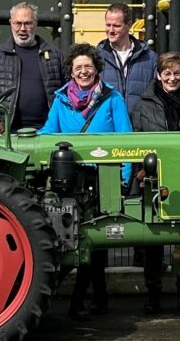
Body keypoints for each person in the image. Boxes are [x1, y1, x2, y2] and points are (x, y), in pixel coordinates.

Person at [42, 44, 132, 320]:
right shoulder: (61, 100)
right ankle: (93, 299)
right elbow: (48, 132)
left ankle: (82, 301)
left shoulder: (112, 98)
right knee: (75, 239)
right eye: (78, 67)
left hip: (103, 177)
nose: (83, 71)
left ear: (97, 69)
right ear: (71, 71)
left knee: (96, 240)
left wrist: (124, 177)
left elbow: (127, 140)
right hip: (70, 180)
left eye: (88, 67)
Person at [129, 51, 180, 312]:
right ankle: (153, 292)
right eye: (167, 73)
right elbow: (135, 140)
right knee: (154, 239)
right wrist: (140, 170)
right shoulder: (143, 105)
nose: (172, 78)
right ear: (159, 75)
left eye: (177, 73)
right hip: (154, 176)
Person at [0, 2, 64, 131]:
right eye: (18, 23)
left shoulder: (55, 55)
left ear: (36, 23)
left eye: (28, 23)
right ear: (11, 23)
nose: (22, 28)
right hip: (7, 132)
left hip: (48, 131)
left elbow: (68, 94)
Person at [97, 3, 157, 107]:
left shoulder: (150, 58)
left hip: (139, 121)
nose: (111, 30)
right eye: (108, 25)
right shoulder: (96, 57)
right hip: (109, 121)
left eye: (116, 26)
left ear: (129, 25)